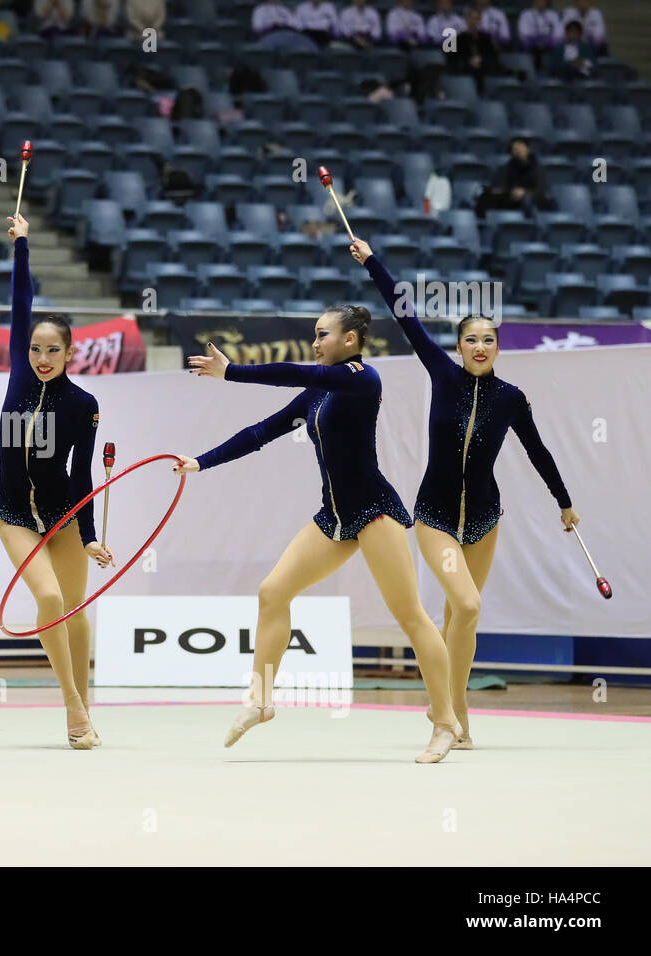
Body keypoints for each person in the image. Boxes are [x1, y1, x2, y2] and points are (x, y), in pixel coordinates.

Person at [176, 310, 462, 763]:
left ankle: (445, 722)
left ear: (350, 339)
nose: (314, 342)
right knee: (273, 592)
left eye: (322, 335)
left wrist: (231, 372)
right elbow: (261, 432)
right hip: (335, 516)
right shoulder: (317, 392)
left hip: (373, 512)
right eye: (314, 335)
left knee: (410, 615)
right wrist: (200, 462)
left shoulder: (362, 379)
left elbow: (291, 372)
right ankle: (261, 699)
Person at [350, 239, 578, 747]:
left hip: (484, 520)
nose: (480, 346)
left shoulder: (511, 399)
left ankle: (457, 715)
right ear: (458, 347)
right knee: (469, 606)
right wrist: (373, 263)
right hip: (434, 518)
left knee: (461, 614)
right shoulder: (443, 374)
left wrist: (564, 502)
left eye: (488, 340)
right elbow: (406, 314)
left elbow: (539, 451)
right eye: (471, 339)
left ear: (498, 348)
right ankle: (448, 711)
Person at [0, 213, 114, 750]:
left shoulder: (83, 405)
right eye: (35, 348)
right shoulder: (20, 378)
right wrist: (22, 245)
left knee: (74, 610)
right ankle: (71, 708)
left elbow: (83, 475)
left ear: (71, 354)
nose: (42, 358)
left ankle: (87, 709)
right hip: (15, 514)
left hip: (64, 516)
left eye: (53, 350)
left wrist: (88, 535)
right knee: (47, 597)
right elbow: (20, 302)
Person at [475, 137, 549, 218]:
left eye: (519, 148)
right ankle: (483, 225)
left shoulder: (537, 168)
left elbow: (541, 190)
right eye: (514, 149)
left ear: (527, 149)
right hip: (510, 196)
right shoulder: (507, 167)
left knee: (527, 200)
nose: (516, 151)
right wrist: (504, 191)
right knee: (485, 197)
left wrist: (524, 192)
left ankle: (528, 225)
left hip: (531, 199)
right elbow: (502, 185)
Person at [449, 8, 503, 94]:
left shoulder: (486, 38)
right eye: (471, 18)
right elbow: (452, 59)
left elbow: (493, 57)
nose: (473, 22)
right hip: (465, 71)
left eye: (476, 19)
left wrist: (481, 60)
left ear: (480, 20)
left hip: (485, 71)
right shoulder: (458, 39)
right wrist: (468, 62)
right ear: (466, 19)